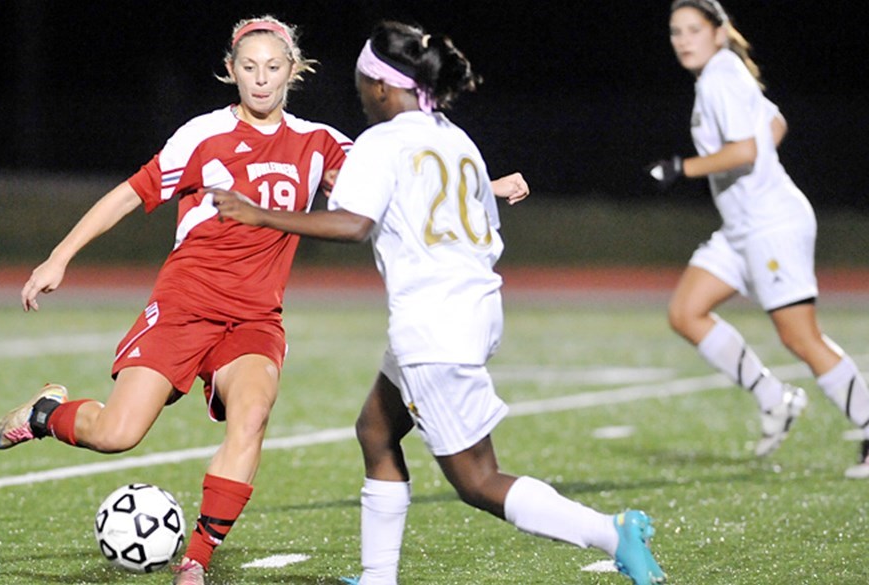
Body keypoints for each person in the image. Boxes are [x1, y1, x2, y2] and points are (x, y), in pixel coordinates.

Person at [213, 20, 666, 585]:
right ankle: (378, 577)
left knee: (477, 479)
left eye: (361, 82)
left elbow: (354, 224)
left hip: (434, 325)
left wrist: (259, 214)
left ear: (383, 86)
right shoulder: (455, 138)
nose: (359, 93)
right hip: (471, 306)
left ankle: (611, 532)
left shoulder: (383, 141)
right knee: (376, 431)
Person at [0, 16, 354, 585]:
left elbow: (390, 184)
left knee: (252, 415)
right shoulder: (202, 135)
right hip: (185, 306)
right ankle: (44, 414)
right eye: (249, 67)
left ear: (293, 70)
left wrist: (471, 189)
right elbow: (128, 195)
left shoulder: (321, 143)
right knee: (117, 434)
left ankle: (197, 560)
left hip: (254, 319)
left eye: (273, 67)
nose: (261, 79)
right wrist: (60, 256)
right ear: (231, 70)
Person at [645, 0, 869, 479]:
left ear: (718, 32)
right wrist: (755, 161)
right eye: (676, 32)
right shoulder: (725, 72)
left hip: (771, 226)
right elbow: (775, 124)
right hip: (741, 228)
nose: (683, 40)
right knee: (686, 312)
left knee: (800, 337)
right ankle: (775, 398)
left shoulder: (719, 77)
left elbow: (745, 150)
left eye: (693, 30)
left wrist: (682, 167)